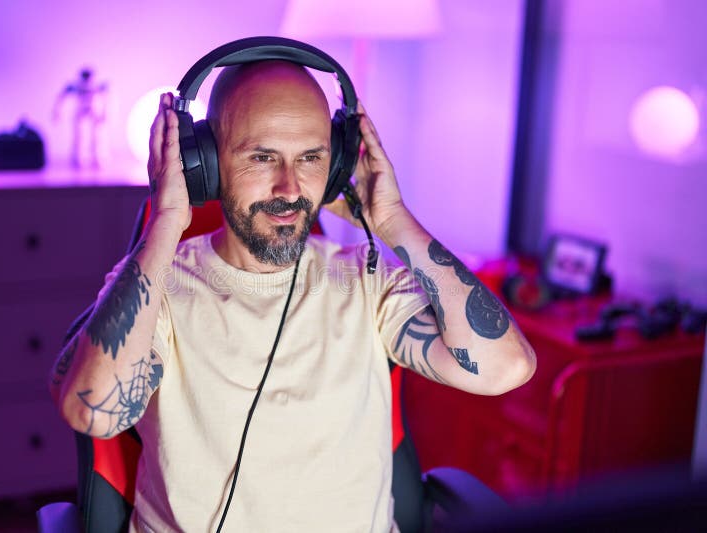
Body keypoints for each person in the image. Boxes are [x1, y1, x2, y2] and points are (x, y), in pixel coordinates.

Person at [49, 60, 536, 532]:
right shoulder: (158, 287)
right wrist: (166, 221)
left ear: (338, 162)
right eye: (261, 157)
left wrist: (393, 222)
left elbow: (507, 367)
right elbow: (93, 411)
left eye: (311, 157)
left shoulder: (368, 280)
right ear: (208, 165)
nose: (289, 187)